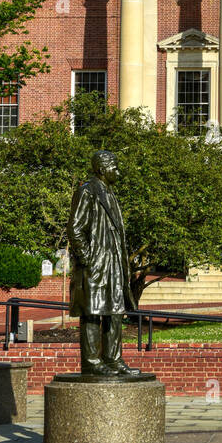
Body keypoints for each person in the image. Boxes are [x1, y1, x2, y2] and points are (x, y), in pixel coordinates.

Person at [67, 150, 139, 378]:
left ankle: (114, 360)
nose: (118, 171)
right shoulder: (87, 191)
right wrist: (87, 259)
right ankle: (91, 362)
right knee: (92, 313)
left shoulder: (110, 193)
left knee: (115, 312)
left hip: (113, 262)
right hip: (96, 264)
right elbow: (75, 228)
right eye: (114, 167)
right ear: (102, 169)